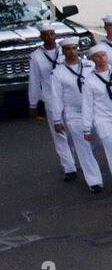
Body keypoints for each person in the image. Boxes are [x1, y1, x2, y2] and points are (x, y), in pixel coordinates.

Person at [79, 44, 112, 204]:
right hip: (104, 121)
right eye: (97, 56)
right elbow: (87, 105)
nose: (101, 59)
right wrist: (86, 127)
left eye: (103, 55)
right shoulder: (89, 80)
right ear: (92, 59)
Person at [47, 37, 102, 191]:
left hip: (95, 110)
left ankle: (91, 164)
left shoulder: (90, 65)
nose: (71, 52)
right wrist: (57, 119)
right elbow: (56, 97)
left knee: (98, 141)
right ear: (63, 52)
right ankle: (94, 181)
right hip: (74, 113)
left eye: (73, 48)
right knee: (82, 145)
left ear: (78, 49)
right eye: (67, 49)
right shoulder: (58, 73)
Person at [27, 23, 78, 181]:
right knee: (59, 134)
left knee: (74, 131)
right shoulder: (36, 56)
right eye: (46, 34)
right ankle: (69, 168)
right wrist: (33, 103)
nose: (49, 37)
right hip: (50, 99)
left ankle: (77, 160)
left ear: (55, 35)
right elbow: (34, 81)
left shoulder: (65, 51)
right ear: (41, 36)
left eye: (51, 34)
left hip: (69, 97)